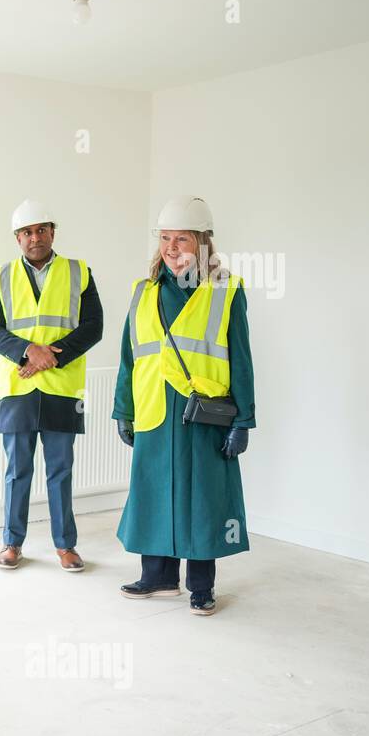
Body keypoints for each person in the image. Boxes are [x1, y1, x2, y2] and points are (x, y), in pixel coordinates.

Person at [112, 196, 255, 615]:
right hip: (155, 409)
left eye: (182, 239)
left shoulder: (226, 291)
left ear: (203, 243)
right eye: (165, 238)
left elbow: (242, 359)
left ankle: (200, 585)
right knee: (153, 492)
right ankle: (157, 576)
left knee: (202, 499)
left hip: (204, 414)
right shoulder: (143, 292)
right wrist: (124, 408)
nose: (171, 248)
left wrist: (243, 420)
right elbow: (129, 355)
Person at [0, 199, 103, 571]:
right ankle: (11, 543)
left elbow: (93, 327)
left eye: (41, 230)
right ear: (17, 238)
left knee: (60, 470)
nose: (35, 238)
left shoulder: (79, 272)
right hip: (17, 390)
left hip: (63, 389)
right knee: (18, 470)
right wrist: (29, 352)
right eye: (27, 232)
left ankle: (66, 546)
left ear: (52, 232)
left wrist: (53, 356)